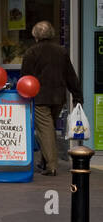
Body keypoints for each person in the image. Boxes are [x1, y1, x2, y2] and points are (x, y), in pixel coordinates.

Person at [20, 21, 83, 176]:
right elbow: (71, 75)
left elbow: (25, 77)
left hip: (40, 97)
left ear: (35, 35)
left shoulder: (31, 52)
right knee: (48, 129)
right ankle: (44, 161)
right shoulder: (61, 51)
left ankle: (52, 166)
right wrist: (77, 96)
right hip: (58, 97)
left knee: (45, 130)